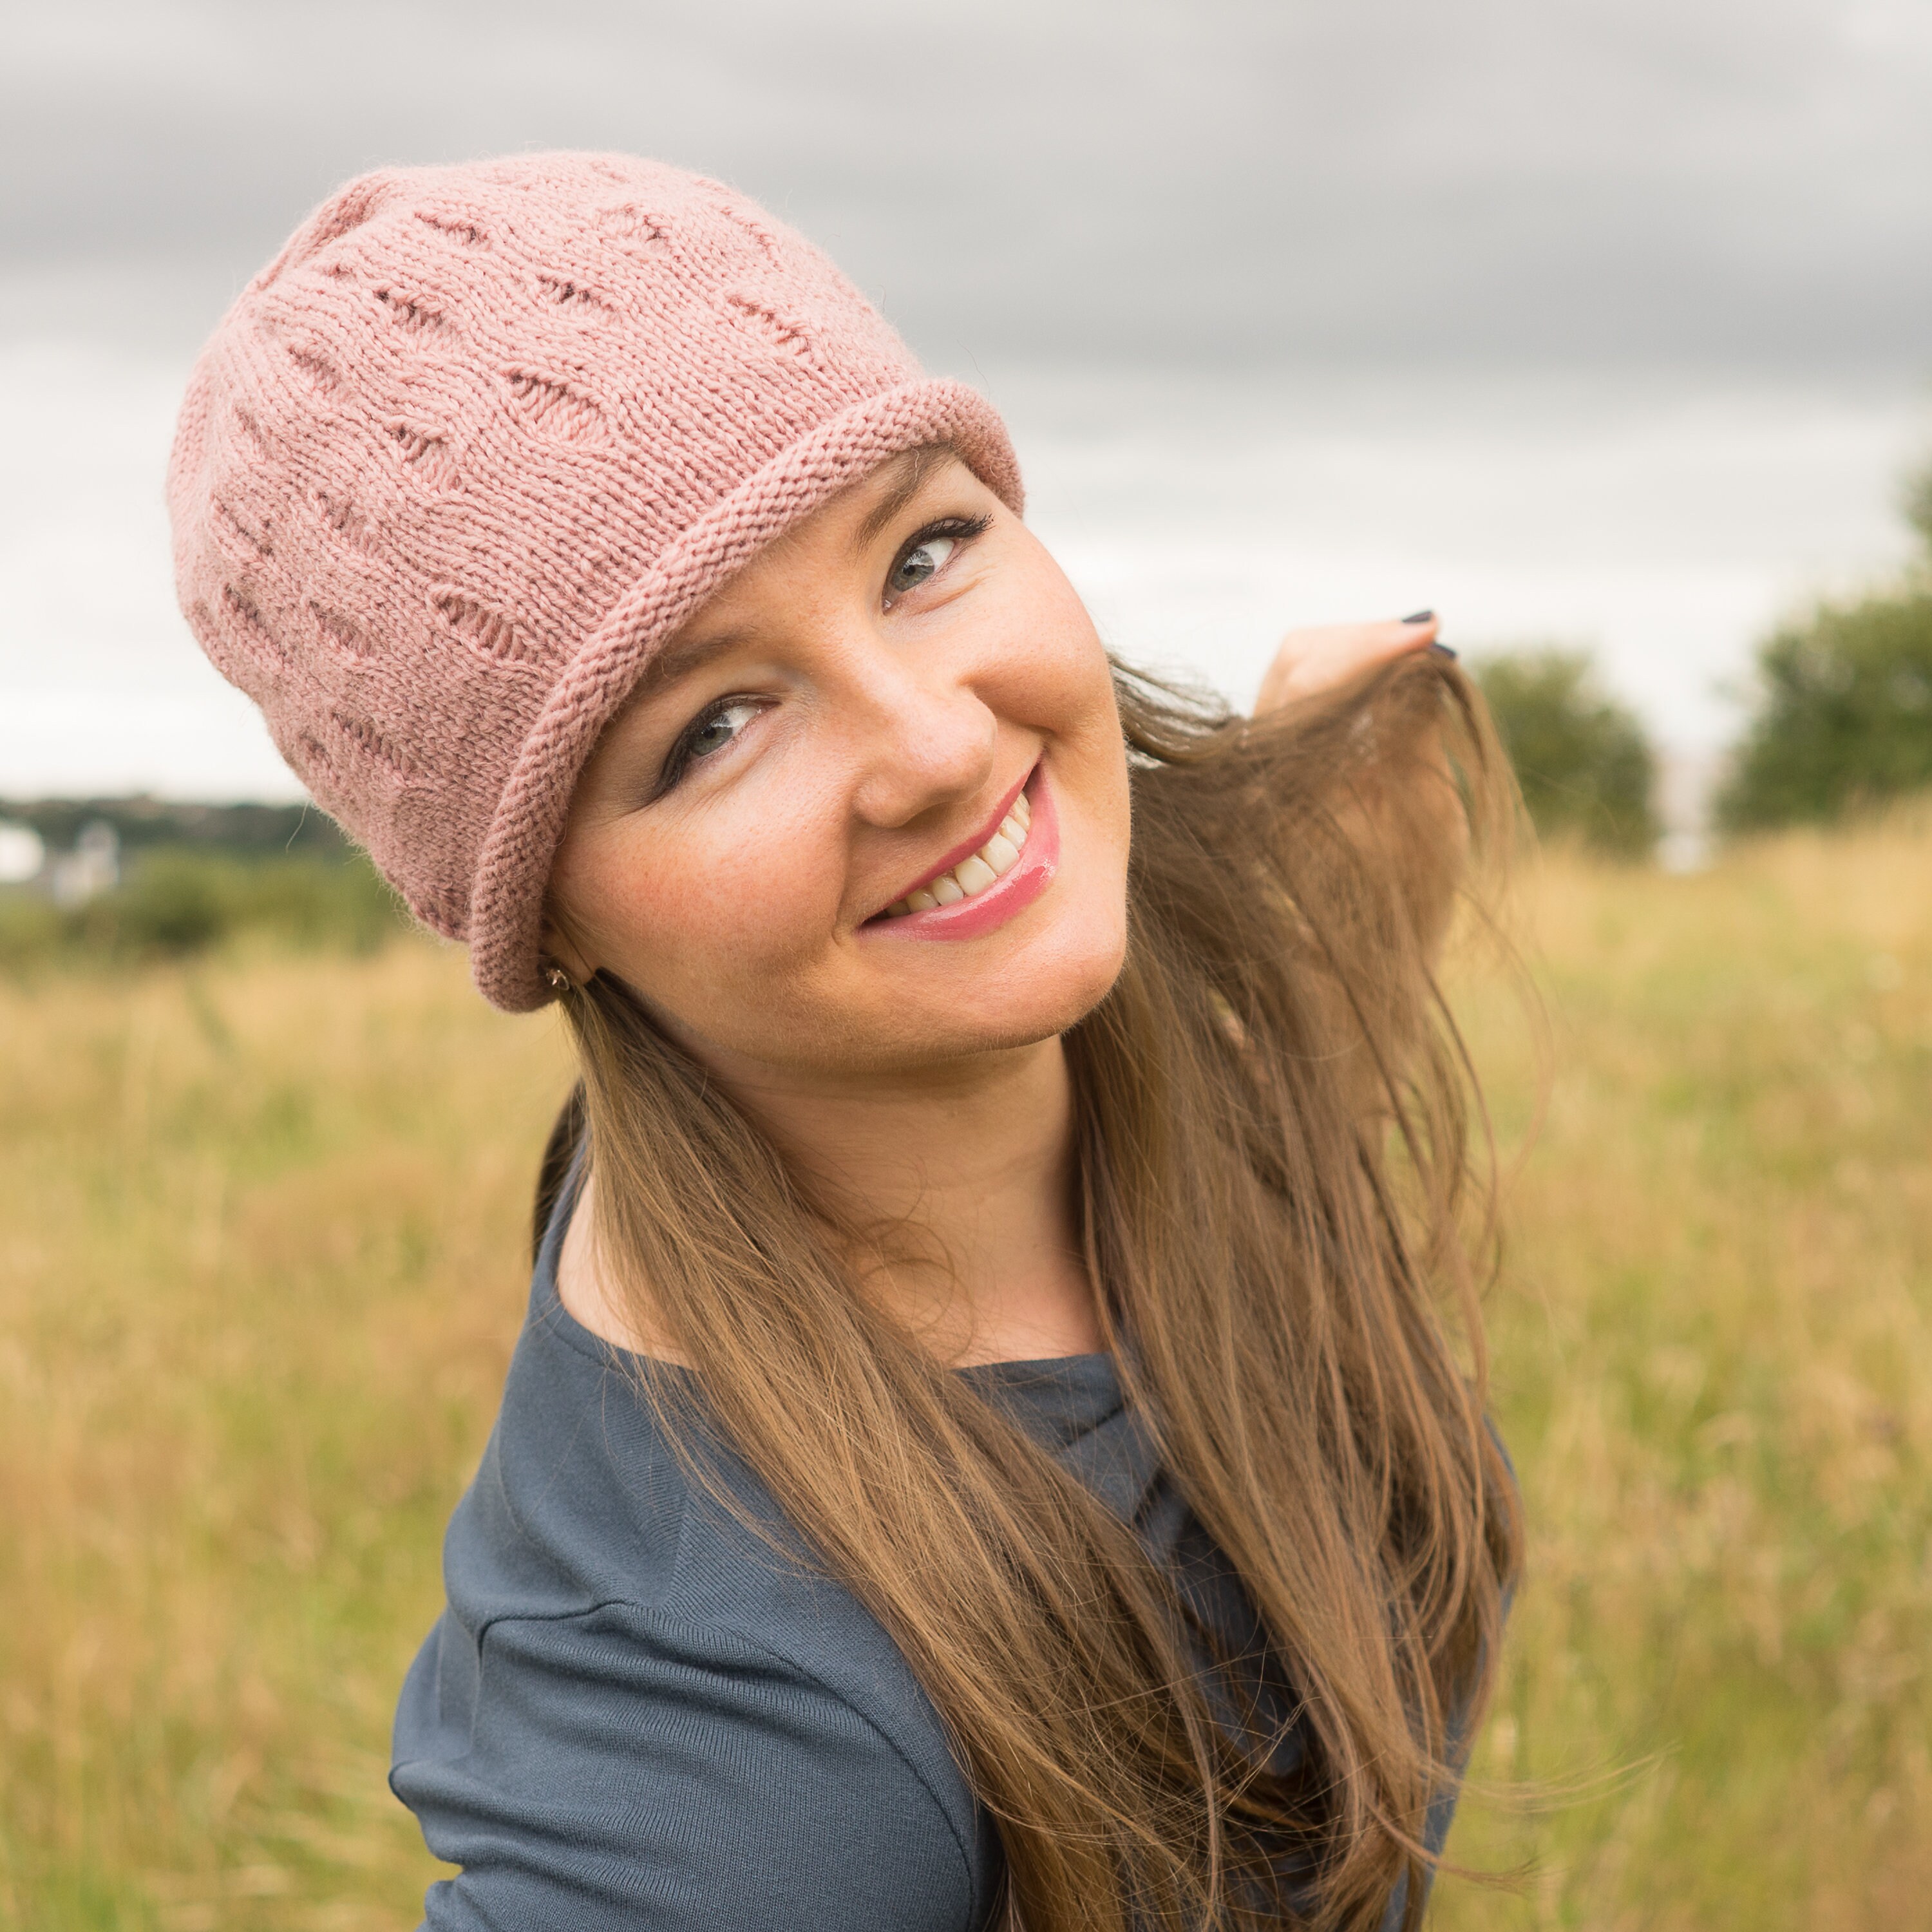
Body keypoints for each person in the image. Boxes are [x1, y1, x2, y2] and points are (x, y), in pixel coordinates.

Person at [167, 152, 1520, 1932]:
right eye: (716, 724)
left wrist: (1345, 803)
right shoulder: (746, 1738)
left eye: (926, 551)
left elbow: (1258, 1042)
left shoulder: (1037, 1024)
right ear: (546, 916)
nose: (941, 748)